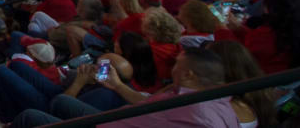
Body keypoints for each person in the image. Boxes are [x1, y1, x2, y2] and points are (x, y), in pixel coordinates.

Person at [12, 48, 238, 128]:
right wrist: (118, 86)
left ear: (189, 74)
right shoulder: (211, 100)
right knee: (61, 102)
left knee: (29, 116)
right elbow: (145, 104)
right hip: (115, 118)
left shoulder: (195, 114)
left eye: (177, 65)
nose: (173, 69)